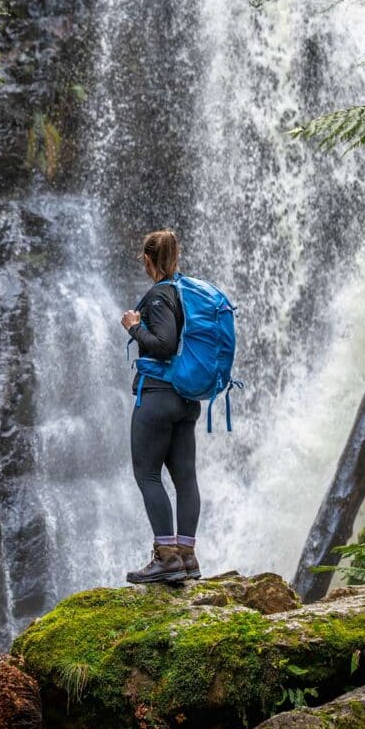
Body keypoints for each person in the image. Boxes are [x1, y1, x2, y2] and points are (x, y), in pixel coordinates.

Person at [120, 229, 202, 584]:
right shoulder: (187, 295)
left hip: (157, 397)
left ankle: (167, 557)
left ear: (148, 259)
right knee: (185, 478)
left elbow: (165, 345)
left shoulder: (158, 295)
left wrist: (134, 328)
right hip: (186, 399)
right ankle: (187, 556)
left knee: (148, 475)